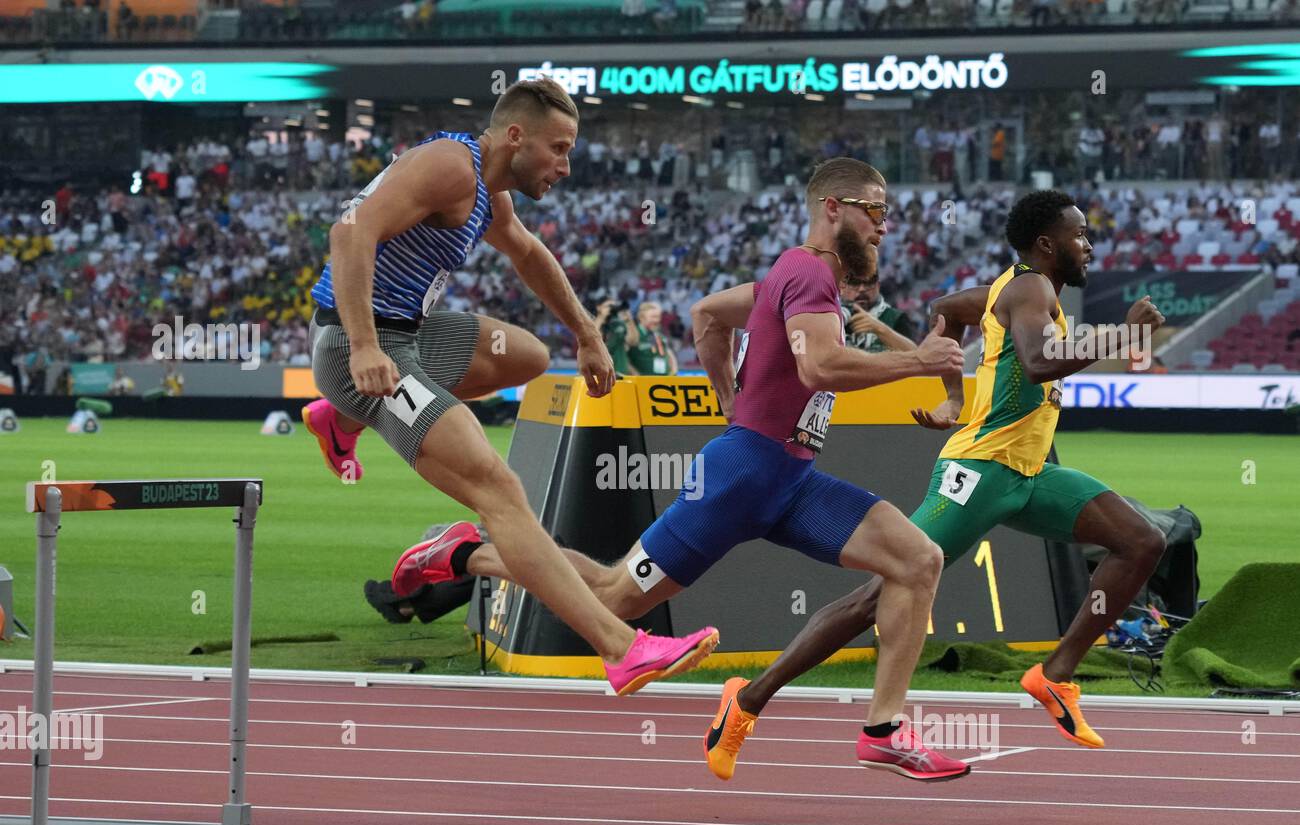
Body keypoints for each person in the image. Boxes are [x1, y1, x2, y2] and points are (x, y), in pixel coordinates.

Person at [401, 158, 970, 782]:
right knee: (616, 598)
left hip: (791, 480)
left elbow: (705, 315)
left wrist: (729, 396)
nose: (885, 225)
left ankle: (883, 731)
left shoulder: (797, 277)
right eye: (875, 209)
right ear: (833, 208)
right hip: (738, 477)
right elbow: (821, 369)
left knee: (918, 560)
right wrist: (917, 362)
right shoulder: (806, 271)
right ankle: (467, 554)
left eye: (888, 213)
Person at [716, 190, 1168, 769]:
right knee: (876, 598)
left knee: (1142, 540)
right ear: (1047, 244)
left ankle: (1055, 675)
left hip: (1028, 473)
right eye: (1080, 235)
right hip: (978, 473)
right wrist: (1122, 335)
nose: (1090, 245)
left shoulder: (1027, 291)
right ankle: (747, 700)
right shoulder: (1028, 286)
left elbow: (948, 307)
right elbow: (1037, 364)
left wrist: (954, 394)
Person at [302, 77, 720, 696]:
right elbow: (348, 234)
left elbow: (527, 254)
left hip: (409, 335)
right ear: (516, 136)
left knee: (524, 354)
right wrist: (364, 347)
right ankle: (621, 648)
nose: (565, 167)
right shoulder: (451, 168)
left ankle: (343, 418)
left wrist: (587, 334)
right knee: (499, 490)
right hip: (358, 343)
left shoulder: (487, 191)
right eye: (560, 148)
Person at [842, 260, 918, 354]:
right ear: (842, 288)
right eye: (854, 283)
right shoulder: (831, 318)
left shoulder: (895, 318)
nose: (862, 289)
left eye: (868, 282)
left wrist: (880, 329)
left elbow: (915, 356)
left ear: (878, 286)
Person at [628, 301, 677, 375]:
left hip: (664, 381)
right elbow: (625, 359)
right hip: (644, 383)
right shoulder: (633, 334)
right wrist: (636, 376)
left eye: (658, 317)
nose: (657, 320)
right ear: (641, 317)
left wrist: (673, 372)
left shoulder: (659, 335)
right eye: (653, 317)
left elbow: (669, 354)